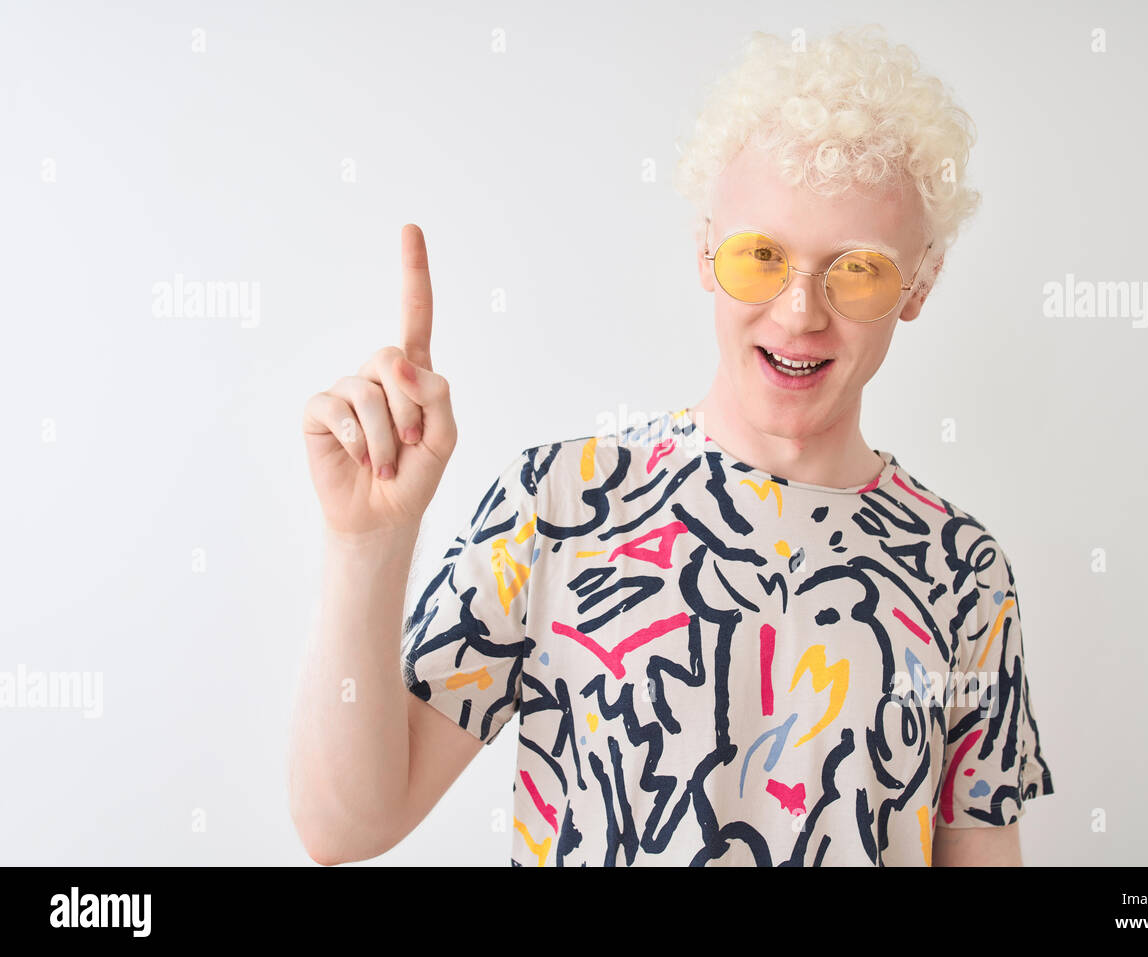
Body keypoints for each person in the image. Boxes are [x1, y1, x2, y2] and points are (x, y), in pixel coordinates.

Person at [289, 24, 1054, 867]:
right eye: (761, 256)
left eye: (857, 270)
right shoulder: (559, 505)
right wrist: (367, 543)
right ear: (704, 254)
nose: (801, 311)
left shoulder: (962, 573)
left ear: (919, 283)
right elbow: (345, 827)